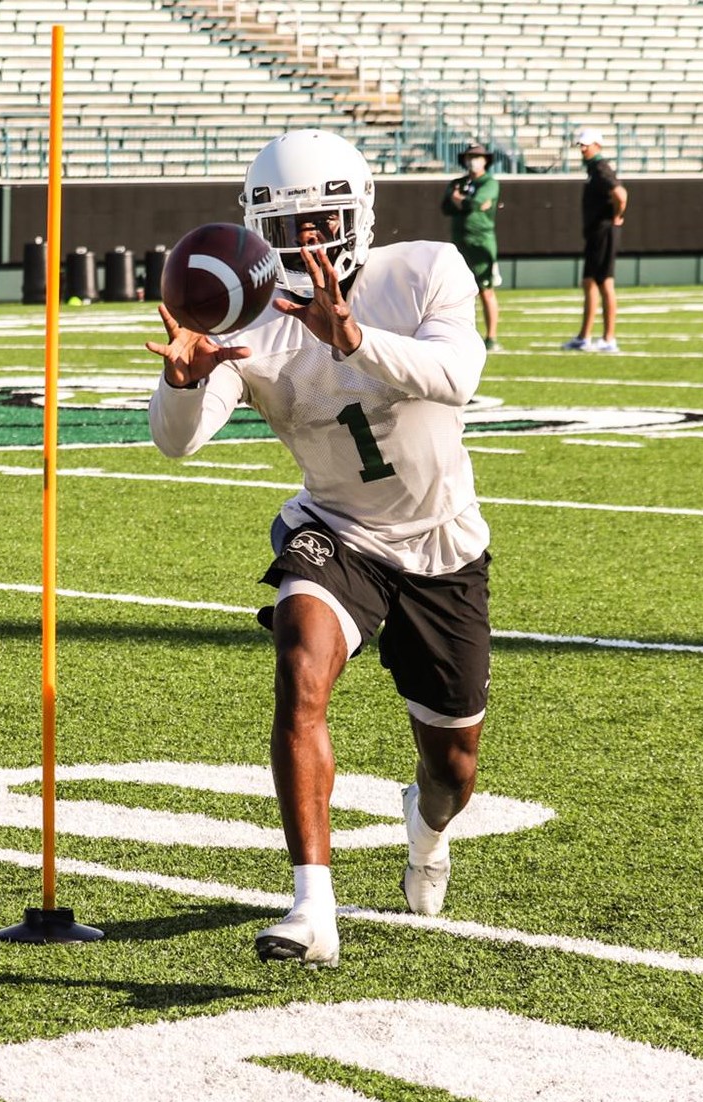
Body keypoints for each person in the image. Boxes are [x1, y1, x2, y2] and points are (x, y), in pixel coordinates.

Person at [146, 129, 492, 970]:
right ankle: (312, 905)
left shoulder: (425, 269)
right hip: (335, 531)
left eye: (322, 218)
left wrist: (354, 339)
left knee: (453, 769)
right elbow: (175, 443)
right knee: (300, 664)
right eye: (287, 223)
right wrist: (182, 381)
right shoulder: (251, 320)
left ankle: (425, 824)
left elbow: (459, 375)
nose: (307, 240)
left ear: (360, 210)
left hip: (441, 544)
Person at [562, 127, 627, 354]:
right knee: (590, 282)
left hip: (604, 230)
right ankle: (584, 336)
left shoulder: (600, 168)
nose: (582, 149)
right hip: (596, 231)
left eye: (585, 145)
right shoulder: (594, 169)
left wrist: (616, 216)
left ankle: (609, 338)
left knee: (604, 282)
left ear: (597, 145)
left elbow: (621, 194)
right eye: (581, 145)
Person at [442, 140, 502, 351]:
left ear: (485, 160)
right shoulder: (459, 182)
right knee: (457, 291)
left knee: (486, 290)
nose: (473, 161)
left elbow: (476, 204)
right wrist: (461, 200)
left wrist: (461, 200)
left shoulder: (489, 183)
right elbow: (447, 205)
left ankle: (492, 336)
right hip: (459, 242)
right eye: (470, 157)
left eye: (477, 157)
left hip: (481, 241)